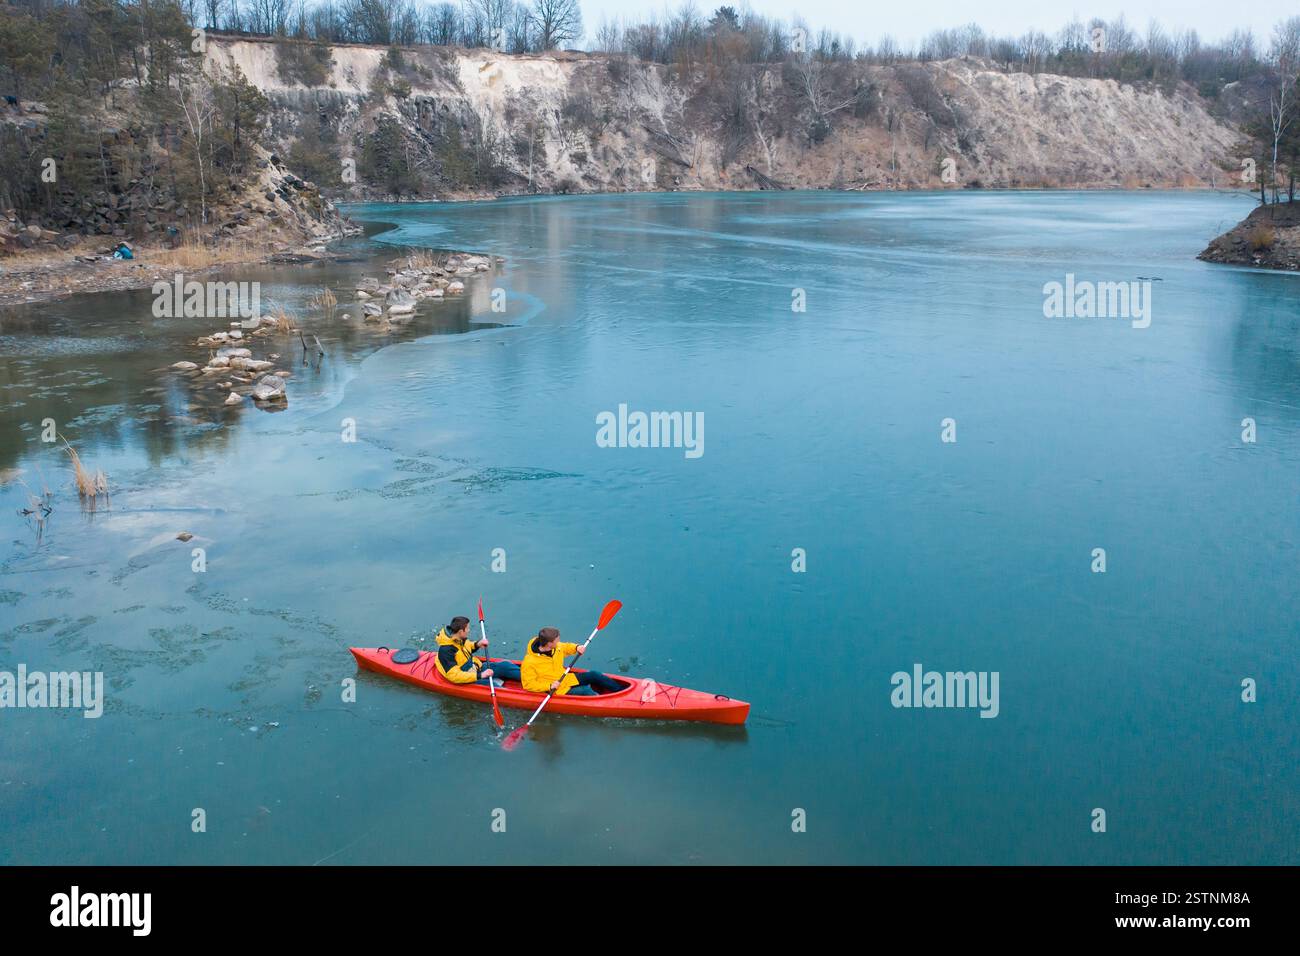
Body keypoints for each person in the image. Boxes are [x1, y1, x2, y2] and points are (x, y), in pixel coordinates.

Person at [520, 626, 623, 697]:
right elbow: (528, 685)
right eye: (557, 640)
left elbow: (566, 647)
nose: (559, 642)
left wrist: (576, 647)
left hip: (565, 678)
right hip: (556, 689)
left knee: (594, 675)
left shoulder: (556, 647)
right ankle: (606, 704)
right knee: (585, 691)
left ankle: (620, 692)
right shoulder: (529, 663)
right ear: (549, 643)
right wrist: (550, 686)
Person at [434, 616, 521, 687]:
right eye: (467, 628)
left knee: (505, 665)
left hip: (474, 669)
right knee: (494, 687)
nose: (469, 630)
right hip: (465, 679)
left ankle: (529, 679)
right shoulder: (446, 651)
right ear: (461, 631)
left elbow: (468, 647)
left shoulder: (459, 638)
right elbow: (454, 676)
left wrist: (478, 644)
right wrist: (481, 675)